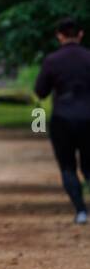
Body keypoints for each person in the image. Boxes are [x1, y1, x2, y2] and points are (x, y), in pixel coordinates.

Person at [34, 17, 90, 223]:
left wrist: (37, 123)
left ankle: (81, 211)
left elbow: (40, 92)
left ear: (59, 35)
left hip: (63, 119)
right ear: (81, 34)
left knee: (67, 166)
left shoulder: (52, 61)